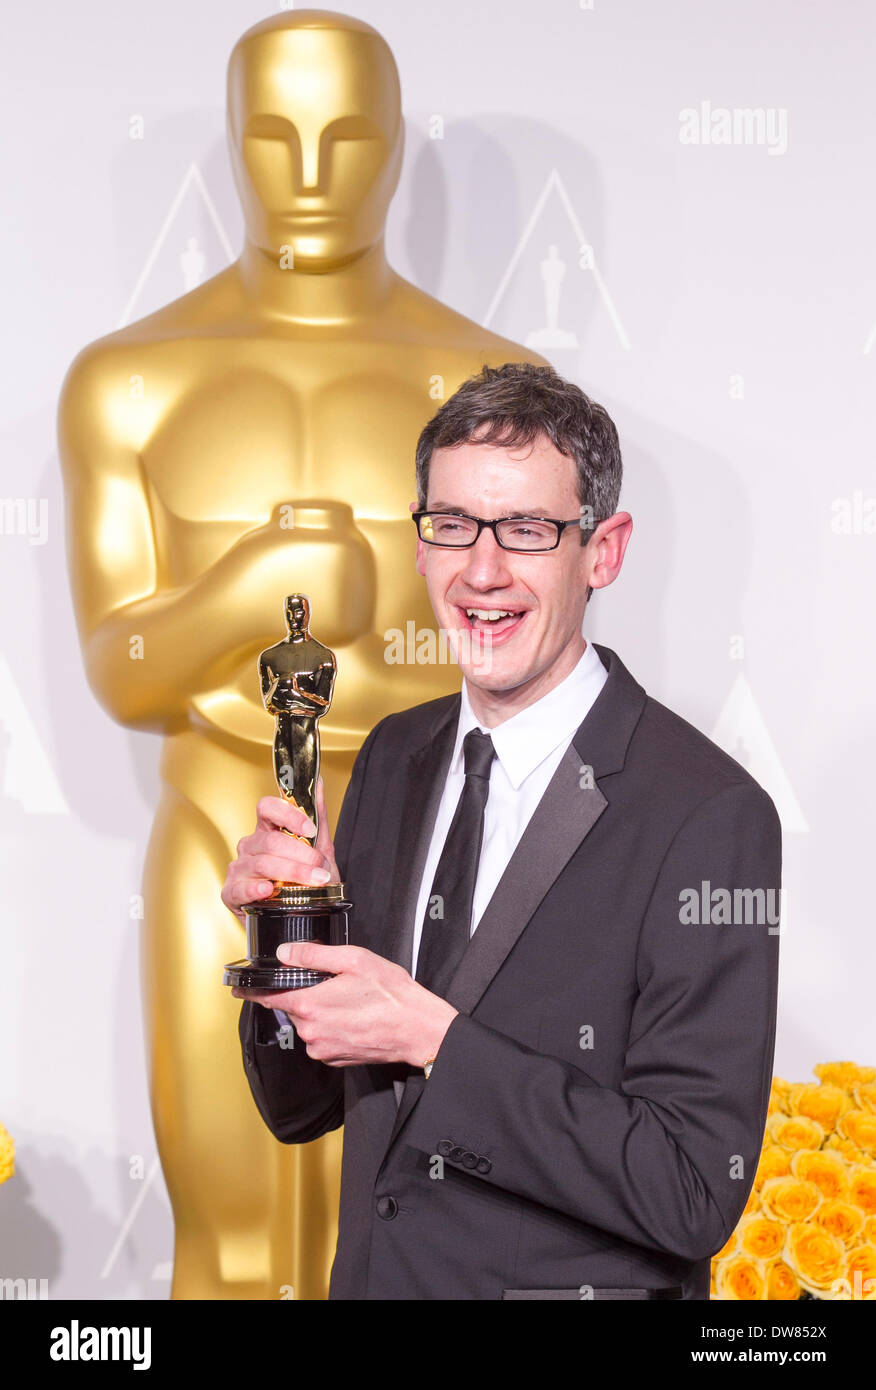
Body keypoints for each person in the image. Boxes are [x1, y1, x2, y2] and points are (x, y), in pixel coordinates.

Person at [223, 361, 781, 1301]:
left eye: (526, 531)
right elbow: (303, 1107)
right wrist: (292, 930)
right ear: (420, 545)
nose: (483, 572)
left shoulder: (708, 815)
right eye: (452, 526)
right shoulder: (395, 756)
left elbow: (691, 1191)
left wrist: (437, 1040)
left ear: (603, 550)